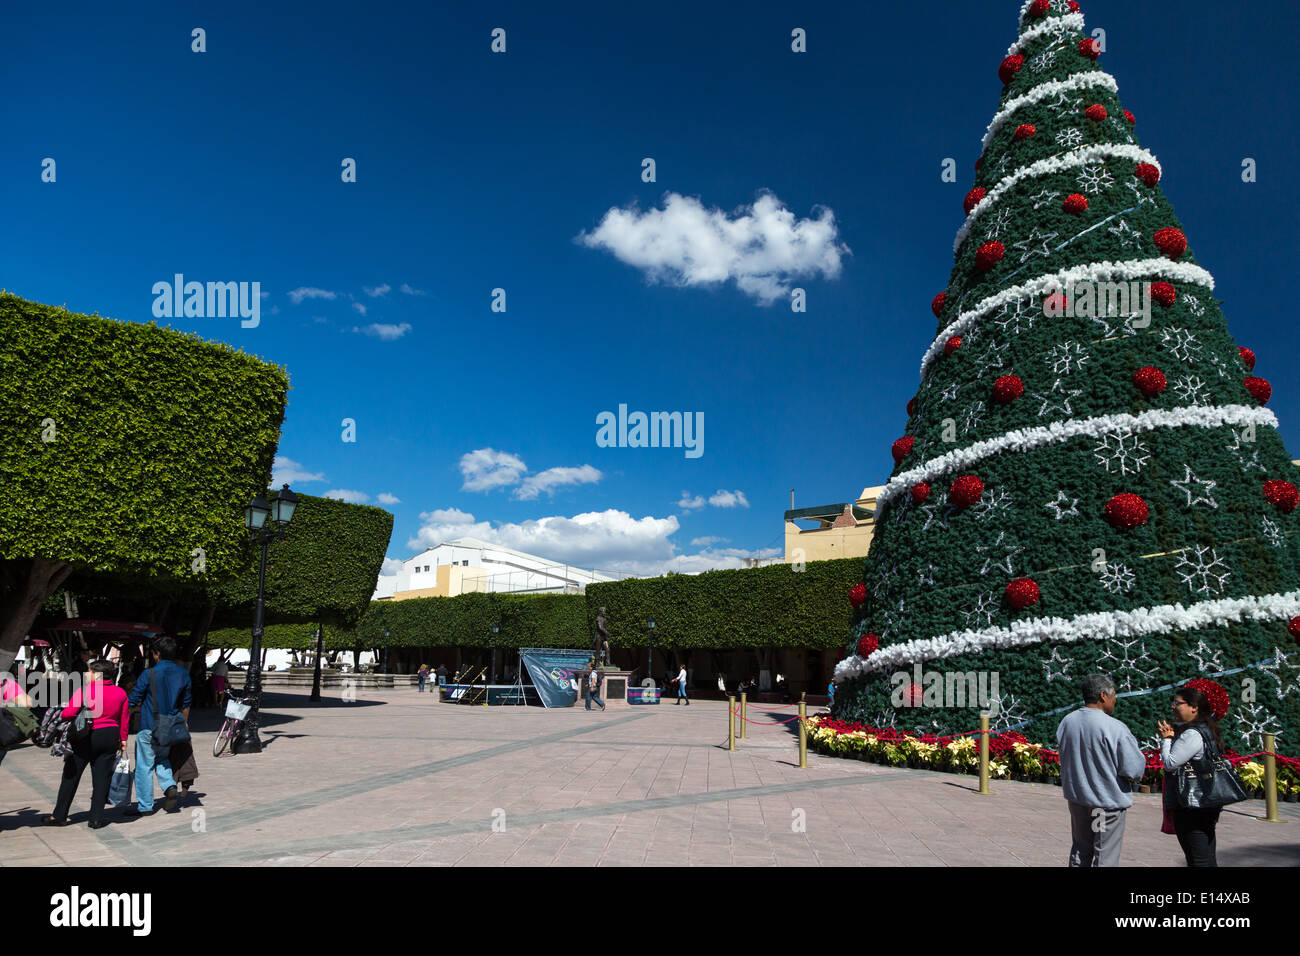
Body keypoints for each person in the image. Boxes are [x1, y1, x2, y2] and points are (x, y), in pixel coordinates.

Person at [1056, 674, 1147, 867]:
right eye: (1114, 695)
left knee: (1081, 849)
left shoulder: (1068, 721)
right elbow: (1133, 769)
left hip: (1079, 799)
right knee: (1105, 855)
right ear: (1103, 696)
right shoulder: (1114, 727)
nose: (1115, 700)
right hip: (1105, 803)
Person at [44, 661, 129, 829]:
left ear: (97, 674)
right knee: (102, 778)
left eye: (88, 671)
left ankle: (59, 816)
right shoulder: (121, 692)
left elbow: (68, 713)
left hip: (86, 735)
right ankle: (96, 818)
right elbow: (124, 717)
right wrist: (123, 738)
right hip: (110, 735)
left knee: (71, 774)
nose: (85, 674)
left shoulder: (85, 690)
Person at [1158, 685, 1224, 867]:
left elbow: (1170, 764)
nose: (1173, 707)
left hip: (1192, 806)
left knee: (1198, 859)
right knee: (1206, 857)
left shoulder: (1192, 734)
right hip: (1206, 803)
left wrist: (1166, 740)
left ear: (1194, 707)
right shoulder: (1205, 729)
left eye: (1177, 703)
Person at [126, 636, 191, 816]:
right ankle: (169, 786)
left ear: (157, 654)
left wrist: (126, 715)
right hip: (170, 727)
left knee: (144, 765)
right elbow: (186, 703)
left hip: (149, 724)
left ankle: (145, 806)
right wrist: (184, 723)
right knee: (162, 758)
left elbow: (134, 698)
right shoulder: (183, 674)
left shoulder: (149, 673)